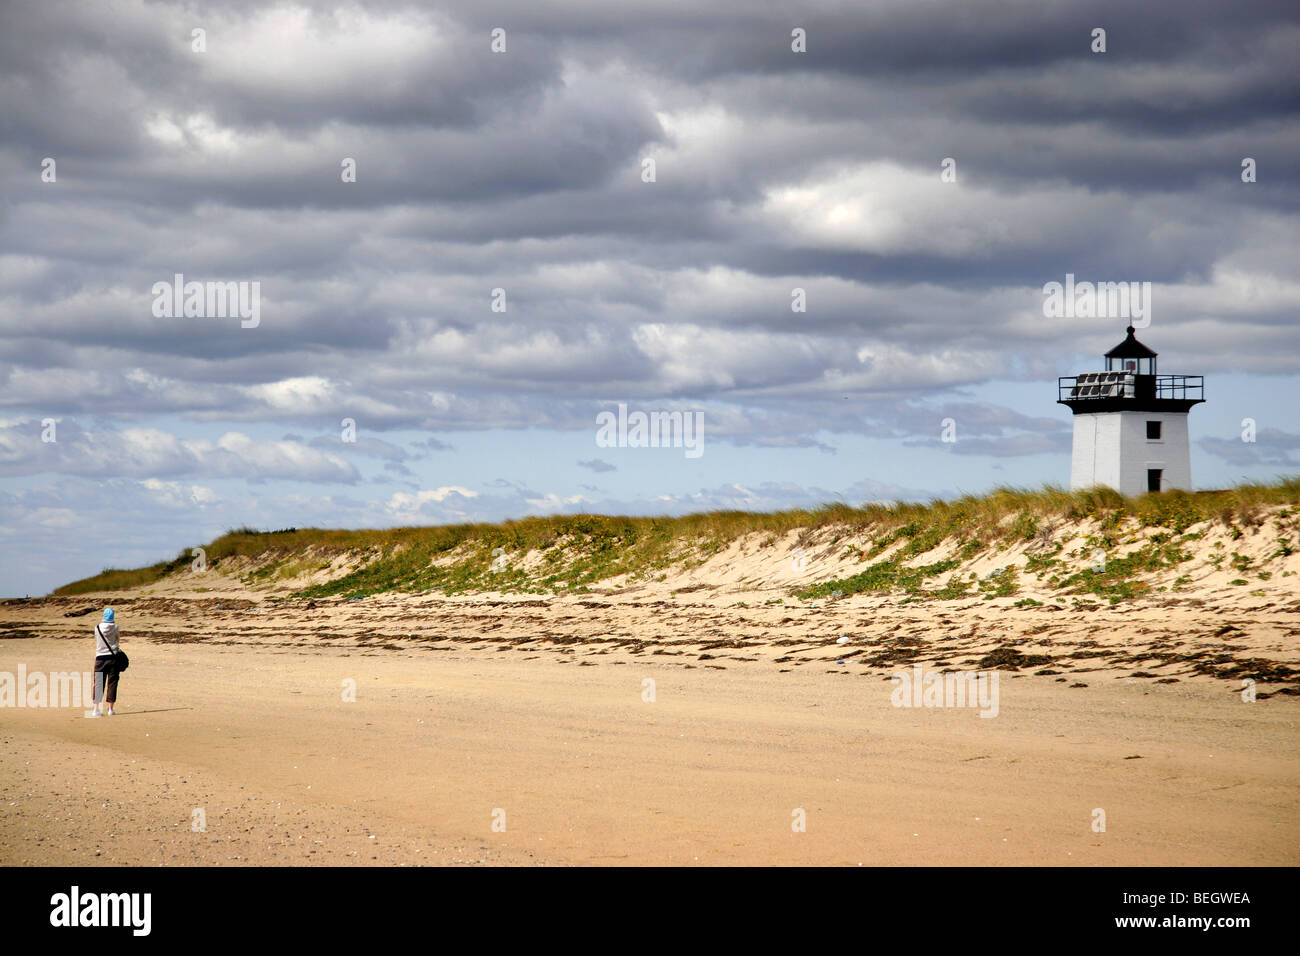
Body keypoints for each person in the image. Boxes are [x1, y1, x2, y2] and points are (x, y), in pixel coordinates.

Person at [90, 608, 121, 717]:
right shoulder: (116, 627)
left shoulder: (97, 628)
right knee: (112, 682)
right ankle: (110, 709)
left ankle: (95, 709)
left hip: (100, 657)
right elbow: (117, 641)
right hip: (112, 658)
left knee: (98, 682)